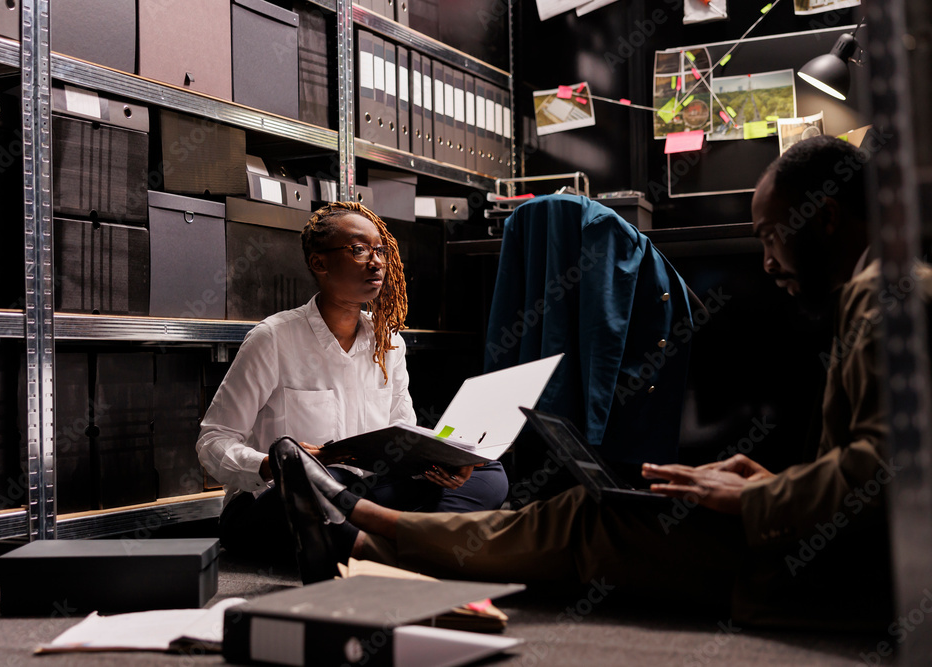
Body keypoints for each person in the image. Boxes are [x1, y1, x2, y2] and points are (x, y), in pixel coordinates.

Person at [270, 137, 932, 627]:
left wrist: (760, 498)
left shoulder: (886, 298)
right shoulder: (881, 289)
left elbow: (887, 471)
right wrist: (766, 483)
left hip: (846, 575)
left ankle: (362, 522)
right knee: (591, 510)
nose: (766, 259)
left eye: (769, 235)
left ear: (824, 218)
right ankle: (357, 534)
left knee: (595, 519)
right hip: (837, 548)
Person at [196, 201, 508, 568]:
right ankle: (418, 543)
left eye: (380, 251)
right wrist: (276, 464)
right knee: (328, 479)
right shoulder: (272, 339)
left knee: (487, 471)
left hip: (365, 496)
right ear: (319, 263)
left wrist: (439, 459)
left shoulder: (389, 342)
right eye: (359, 250)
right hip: (277, 503)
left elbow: (403, 433)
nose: (375, 261)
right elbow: (213, 442)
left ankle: (389, 545)